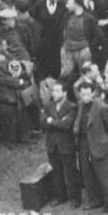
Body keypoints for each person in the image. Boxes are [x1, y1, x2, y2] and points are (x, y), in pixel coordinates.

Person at [74, 78, 108, 215]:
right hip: (83, 144)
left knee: (105, 178)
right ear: (80, 94)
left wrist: (105, 142)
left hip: (99, 145)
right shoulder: (80, 105)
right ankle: (96, 200)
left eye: (88, 94)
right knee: (87, 175)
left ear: (93, 93)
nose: (85, 97)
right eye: (83, 94)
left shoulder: (102, 107)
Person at [41, 78, 81, 207]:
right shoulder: (49, 105)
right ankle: (61, 196)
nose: (54, 93)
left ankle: (75, 198)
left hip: (66, 145)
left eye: (57, 91)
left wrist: (51, 120)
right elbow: (42, 123)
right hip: (52, 145)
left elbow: (67, 125)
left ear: (65, 93)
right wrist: (58, 121)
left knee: (70, 173)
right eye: (53, 91)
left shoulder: (72, 106)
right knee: (56, 172)